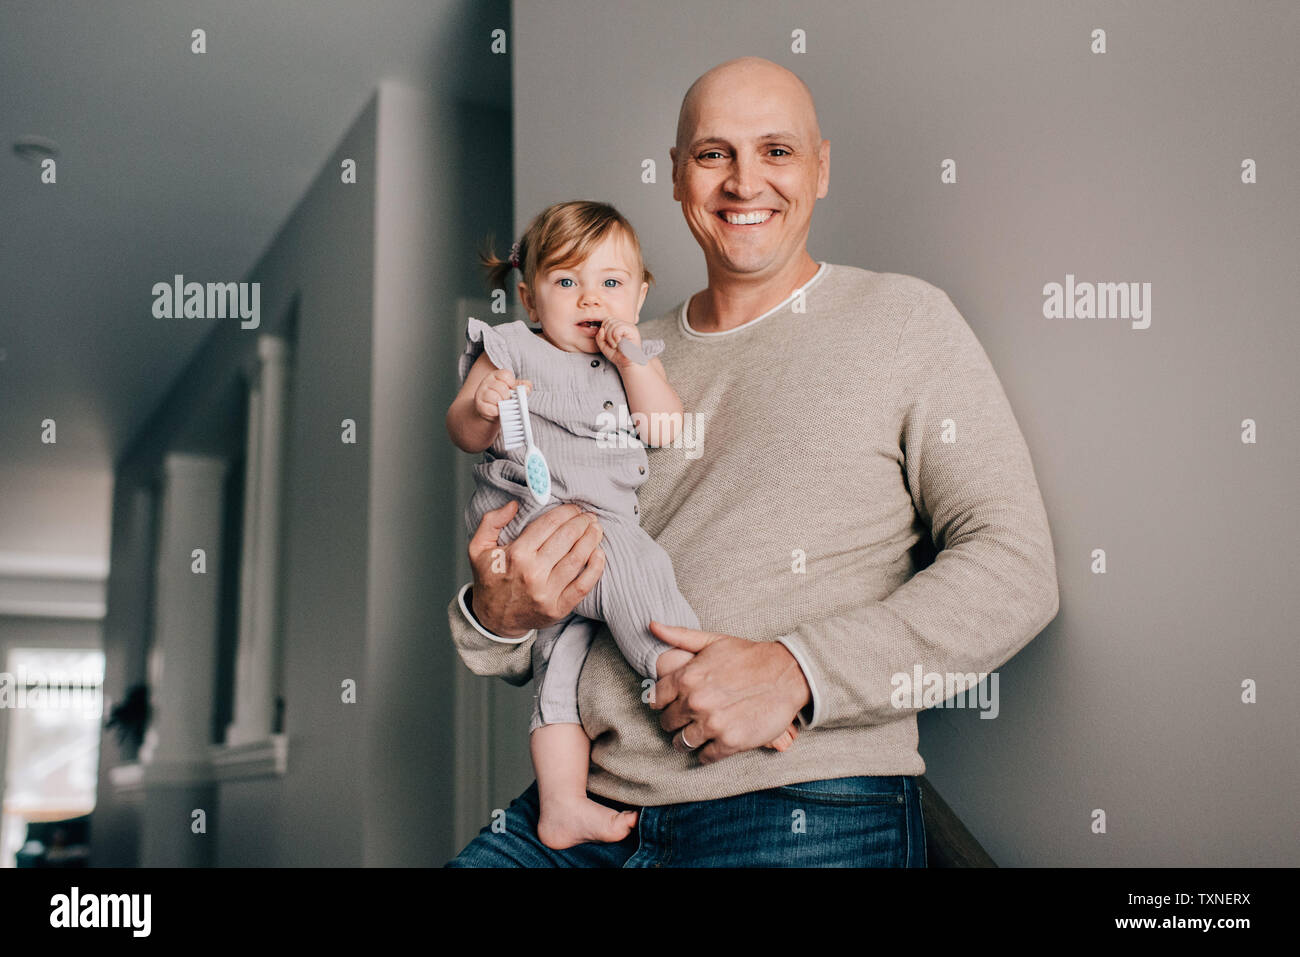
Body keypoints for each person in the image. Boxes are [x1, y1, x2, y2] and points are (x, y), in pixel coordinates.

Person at [444, 56, 1059, 867]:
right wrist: (497, 610)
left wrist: (798, 671)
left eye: (776, 151)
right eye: (712, 154)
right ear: (675, 175)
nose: (744, 182)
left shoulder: (903, 321)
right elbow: (541, 606)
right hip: (582, 805)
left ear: (821, 167)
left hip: (802, 801)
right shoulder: (598, 352)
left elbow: (1016, 569)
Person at [445, 200, 797, 850]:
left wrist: (634, 362)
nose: (590, 297)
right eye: (566, 281)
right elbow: (464, 431)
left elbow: (664, 427)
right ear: (528, 297)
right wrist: (482, 403)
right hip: (539, 519)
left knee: (562, 664)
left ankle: (561, 802)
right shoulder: (514, 349)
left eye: (610, 282)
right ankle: (686, 676)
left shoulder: (635, 360)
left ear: (638, 294)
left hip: (593, 522)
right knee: (642, 570)